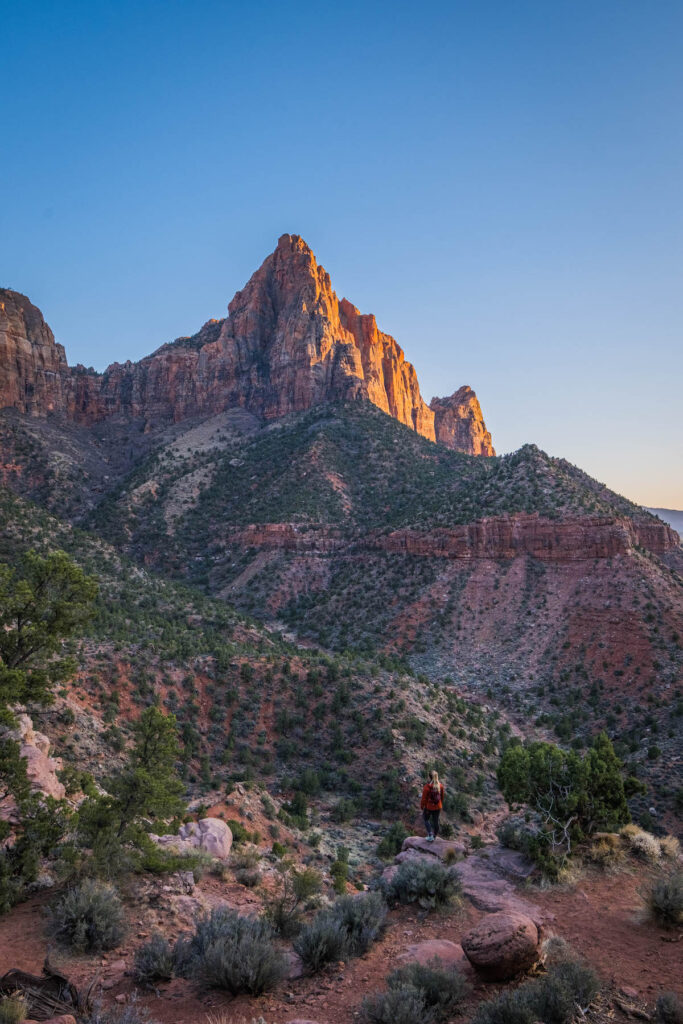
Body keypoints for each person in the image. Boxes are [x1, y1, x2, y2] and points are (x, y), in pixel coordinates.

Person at [421, 770, 445, 841]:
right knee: (436, 821)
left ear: (429, 777)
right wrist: (439, 804)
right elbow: (442, 797)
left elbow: (424, 799)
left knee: (425, 819)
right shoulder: (440, 786)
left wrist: (422, 806)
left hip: (429, 807)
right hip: (438, 807)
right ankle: (434, 836)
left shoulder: (427, 787)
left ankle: (430, 834)